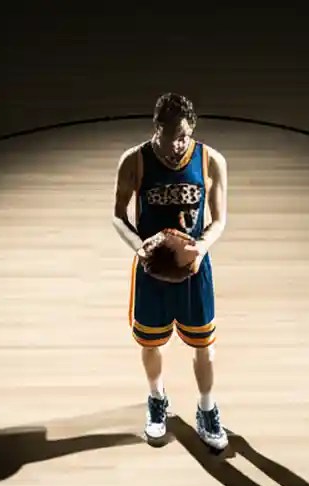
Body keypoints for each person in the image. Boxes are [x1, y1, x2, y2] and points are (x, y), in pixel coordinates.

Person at [111, 92, 229, 450]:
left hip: (194, 269)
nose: (178, 144)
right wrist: (139, 247)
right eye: (170, 135)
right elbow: (118, 215)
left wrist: (201, 247)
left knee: (205, 349)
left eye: (184, 136)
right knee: (151, 344)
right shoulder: (135, 160)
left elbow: (220, 219)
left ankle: (206, 408)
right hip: (151, 268)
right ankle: (157, 399)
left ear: (192, 129)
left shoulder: (211, 160)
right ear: (156, 128)